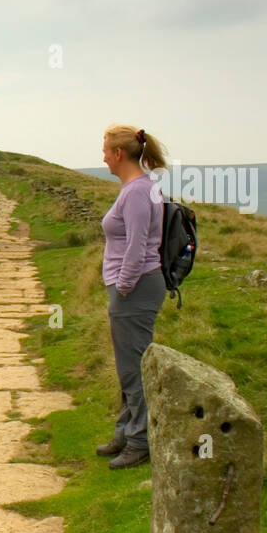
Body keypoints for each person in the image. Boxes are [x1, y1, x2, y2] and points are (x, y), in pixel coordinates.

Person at [95, 125, 168, 469]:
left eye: (106, 150)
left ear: (119, 154)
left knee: (133, 368)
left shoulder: (137, 191)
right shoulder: (138, 188)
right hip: (135, 286)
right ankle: (125, 431)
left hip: (135, 287)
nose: (104, 157)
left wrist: (122, 288)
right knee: (129, 366)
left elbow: (138, 247)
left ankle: (139, 442)